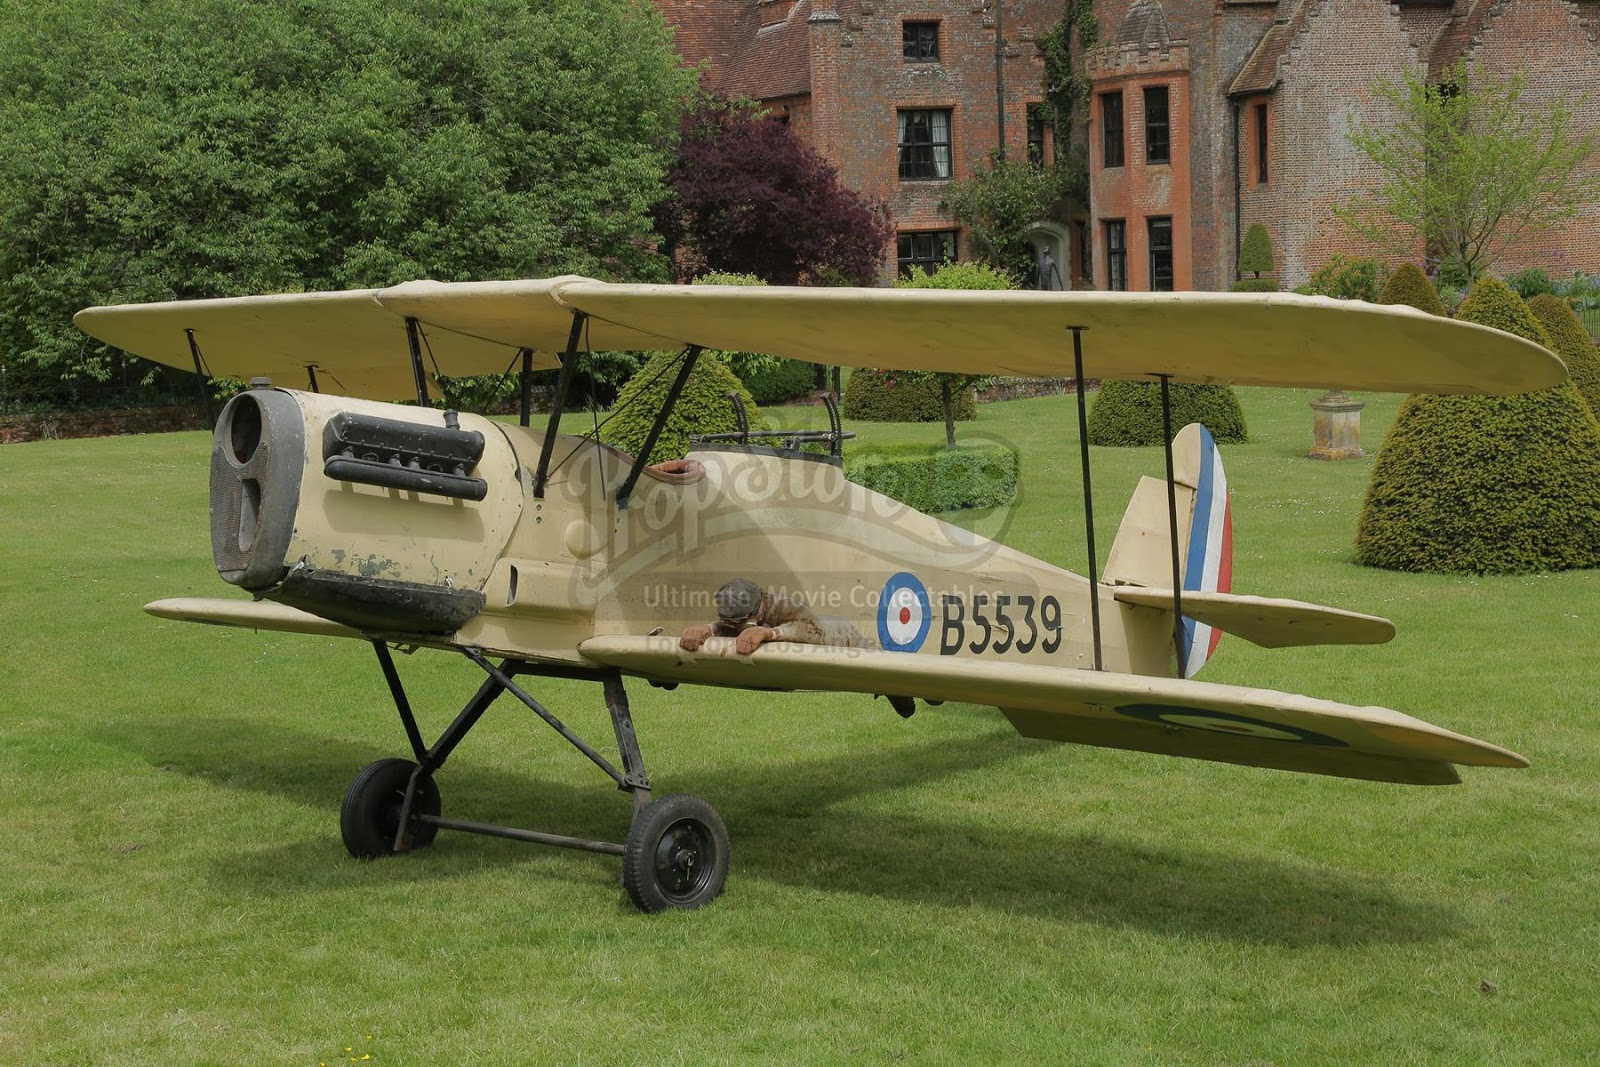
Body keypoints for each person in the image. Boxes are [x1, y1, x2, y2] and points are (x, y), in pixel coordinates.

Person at [679, 577, 867, 655]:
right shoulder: (739, 616)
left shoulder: (783, 606)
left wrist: (770, 633)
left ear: (758, 609)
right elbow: (732, 627)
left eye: (743, 621)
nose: (740, 626)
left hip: (844, 635)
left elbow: (814, 630)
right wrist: (708, 629)